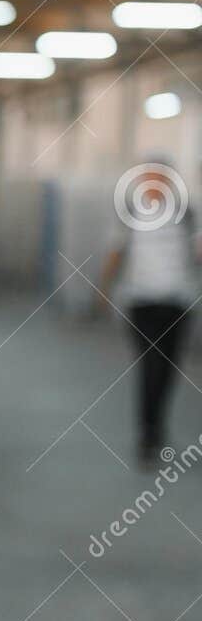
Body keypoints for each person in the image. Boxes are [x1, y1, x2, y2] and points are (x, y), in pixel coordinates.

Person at [98, 161, 199, 466]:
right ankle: (148, 435)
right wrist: (103, 289)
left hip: (177, 301)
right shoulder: (130, 213)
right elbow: (116, 252)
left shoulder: (186, 214)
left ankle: (156, 427)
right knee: (150, 365)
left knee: (168, 367)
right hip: (142, 301)